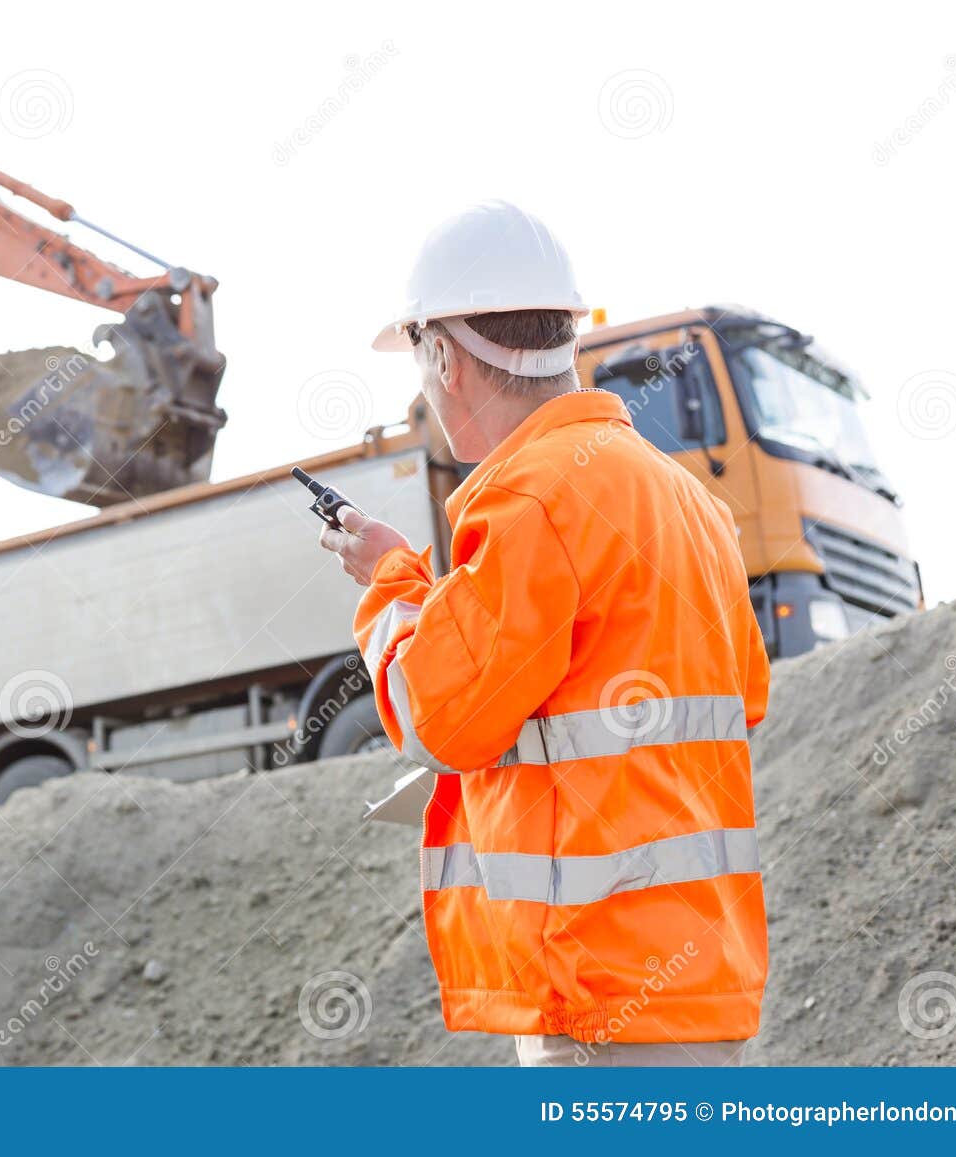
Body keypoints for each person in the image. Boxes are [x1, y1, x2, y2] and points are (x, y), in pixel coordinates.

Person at [318, 201, 770, 1067]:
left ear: (444, 356)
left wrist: (392, 579)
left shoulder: (528, 495)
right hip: (701, 981)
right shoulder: (690, 503)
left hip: (598, 993)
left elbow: (441, 720)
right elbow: (735, 704)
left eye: (418, 361)